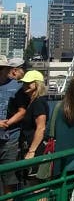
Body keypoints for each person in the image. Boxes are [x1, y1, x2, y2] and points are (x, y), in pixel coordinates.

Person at [17, 70, 48, 185]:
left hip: (36, 148)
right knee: (32, 183)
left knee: (36, 184)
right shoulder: (32, 102)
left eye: (29, 82)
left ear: (37, 84)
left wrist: (32, 151)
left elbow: (41, 128)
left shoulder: (38, 103)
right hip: (29, 146)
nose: (25, 85)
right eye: (24, 82)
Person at [0, 56, 26, 194]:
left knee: (8, 180)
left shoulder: (17, 87)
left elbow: (22, 111)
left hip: (10, 138)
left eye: (2, 68)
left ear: (7, 69)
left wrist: (7, 123)